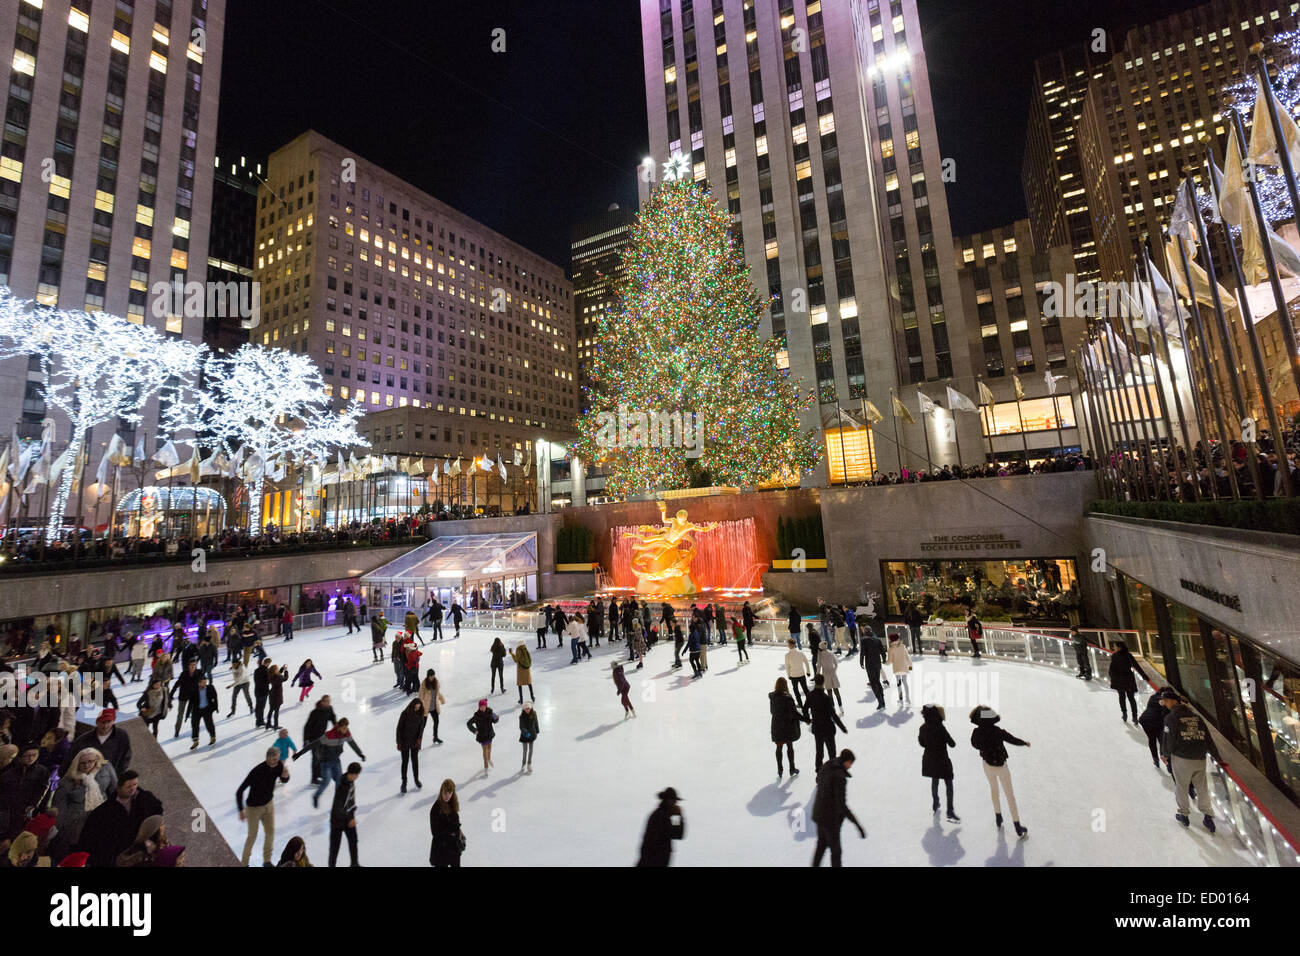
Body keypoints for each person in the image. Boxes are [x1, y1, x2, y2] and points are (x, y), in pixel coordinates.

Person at [1160, 691, 1221, 832]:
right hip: (1199, 758)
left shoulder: (1171, 718)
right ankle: (1207, 816)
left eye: (1166, 701)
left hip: (1182, 758)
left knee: (1182, 786)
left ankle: (1183, 814)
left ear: (1172, 701)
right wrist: (1217, 757)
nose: (1165, 704)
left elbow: (1170, 739)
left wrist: (1165, 754)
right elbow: (1208, 738)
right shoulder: (1196, 717)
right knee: (1202, 787)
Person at [77, 769, 163, 867]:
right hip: (117, 855)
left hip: (139, 850)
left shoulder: (144, 797)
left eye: (135, 785)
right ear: (118, 788)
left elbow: (157, 810)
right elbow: (90, 836)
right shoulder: (104, 811)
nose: (133, 789)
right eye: (128, 786)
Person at [969, 706, 1029, 838]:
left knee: (994, 791)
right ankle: (1018, 827)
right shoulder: (997, 731)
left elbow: (974, 744)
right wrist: (1024, 743)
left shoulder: (976, 732)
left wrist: (984, 745)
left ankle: (998, 817)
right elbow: (1012, 739)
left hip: (987, 765)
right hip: (1001, 767)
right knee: (1010, 795)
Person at [51, 748, 117, 851]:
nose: (86, 765)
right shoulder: (67, 782)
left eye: (90, 762)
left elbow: (115, 790)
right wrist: (59, 831)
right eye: (82, 763)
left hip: (102, 818)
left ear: (96, 760)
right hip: (77, 824)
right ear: (77, 764)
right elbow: (60, 809)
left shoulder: (106, 769)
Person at [236, 748, 292, 867]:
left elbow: (283, 779)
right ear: (268, 758)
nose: (277, 762)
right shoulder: (257, 771)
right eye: (274, 759)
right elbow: (239, 791)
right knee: (252, 836)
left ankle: (267, 860)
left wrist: (285, 776)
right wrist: (241, 810)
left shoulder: (279, 765)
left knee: (270, 832)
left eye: (277, 759)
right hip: (253, 809)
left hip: (269, 805)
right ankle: (244, 863)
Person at [811, 749, 864, 867]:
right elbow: (842, 805)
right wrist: (857, 824)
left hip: (819, 813)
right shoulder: (839, 778)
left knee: (821, 845)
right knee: (836, 852)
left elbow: (818, 780)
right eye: (851, 763)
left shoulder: (827, 765)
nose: (850, 766)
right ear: (847, 761)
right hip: (830, 819)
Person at [308, 718, 366, 809]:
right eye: (343, 728)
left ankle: (337, 803)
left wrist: (360, 753)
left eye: (346, 728)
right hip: (325, 762)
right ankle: (316, 796)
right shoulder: (328, 735)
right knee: (326, 782)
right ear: (338, 727)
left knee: (339, 782)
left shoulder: (346, 734)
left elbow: (352, 744)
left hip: (336, 761)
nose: (345, 730)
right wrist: (299, 754)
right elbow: (314, 744)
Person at [918, 705, 959, 822]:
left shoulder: (923, 728)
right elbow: (952, 744)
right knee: (949, 784)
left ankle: (935, 802)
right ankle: (950, 810)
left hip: (929, 759)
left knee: (934, 781)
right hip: (942, 759)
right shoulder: (940, 728)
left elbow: (921, 743)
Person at [64, 709, 131, 778]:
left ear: (113, 721)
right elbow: (69, 759)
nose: (105, 726)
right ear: (97, 722)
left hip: (112, 778)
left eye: (108, 722)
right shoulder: (82, 740)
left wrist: (117, 776)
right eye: (102, 722)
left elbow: (125, 757)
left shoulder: (122, 736)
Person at [806, 674, 847, 772]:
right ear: (823, 683)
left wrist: (807, 719)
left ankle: (818, 773)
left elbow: (804, 709)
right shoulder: (826, 698)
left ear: (815, 682)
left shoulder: (810, 695)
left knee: (819, 752)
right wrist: (842, 728)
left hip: (817, 728)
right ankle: (832, 772)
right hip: (828, 729)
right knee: (831, 752)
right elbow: (833, 715)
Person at [770, 677, 809, 778]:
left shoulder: (773, 697)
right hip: (787, 726)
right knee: (789, 747)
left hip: (777, 726)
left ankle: (780, 770)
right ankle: (792, 768)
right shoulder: (788, 698)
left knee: (779, 747)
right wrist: (806, 720)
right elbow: (795, 713)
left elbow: (772, 711)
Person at [636, 787, 684, 867]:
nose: (675, 803)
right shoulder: (660, 815)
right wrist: (677, 816)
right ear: (668, 800)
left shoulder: (662, 814)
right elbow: (676, 834)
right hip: (653, 860)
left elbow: (677, 834)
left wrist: (677, 817)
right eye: (674, 800)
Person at [328, 762, 362, 867]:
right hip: (337, 821)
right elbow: (338, 808)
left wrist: (351, 816)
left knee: (353, 840)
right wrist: (349, 820)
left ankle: (354, 864)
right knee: (335, 848)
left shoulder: (350, 781)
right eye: (356, 774)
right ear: (351, 773)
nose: (357, 777)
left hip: (348, 817)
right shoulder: (341, 786)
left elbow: (350, 801)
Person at [1108, 640, 1147, 722]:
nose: (1113, 647)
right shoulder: (1128, 655)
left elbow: (1112, 669)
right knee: (1131, 698)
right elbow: (1136, 666)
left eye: (1115, 646)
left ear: (1119, 647)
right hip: (1128, 680)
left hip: (1119, 680)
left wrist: (1112, 677)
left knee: (1122, 698)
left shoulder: (1114, 656)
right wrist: (1144, 676)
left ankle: (1124, 714)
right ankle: (1134, 716)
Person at [302, 695, 337, 785]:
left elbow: (332, 718)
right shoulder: (315, 713)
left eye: (330, 701)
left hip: (322, 737)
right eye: (327, 701)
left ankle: (319, 774)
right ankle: (314, 778)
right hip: (313, 738)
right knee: (316, 758)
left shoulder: (329, 709)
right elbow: (307, 727)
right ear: (322, 702)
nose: (329, 703)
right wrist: (305, 740)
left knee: (321, 757)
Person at [429, 779, 463, 867]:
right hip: (441, 849)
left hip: (453, 847)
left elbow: (455, 821)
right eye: (445, 793)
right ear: (441, 792)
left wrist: (458, 831)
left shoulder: (453, 803)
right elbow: (435, 832)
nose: (447, 796)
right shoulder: (435, 809)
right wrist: (450, 832)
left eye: (450, 793)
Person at [396, 699, 426, 794]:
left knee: (415, 761)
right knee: (405, 762)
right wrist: (399, 742)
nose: (417, 709)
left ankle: (416, 780)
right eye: (415, 707)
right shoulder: (405, 714)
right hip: (404, 742)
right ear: (412, 705)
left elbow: (421, 730)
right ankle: (404, 783)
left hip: (414, 743)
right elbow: (399, 728)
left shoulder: (421, 716)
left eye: (418, 707)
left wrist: (419, 742)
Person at [1138, 688, 1172, 769]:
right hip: (1156, 722)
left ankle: (1155, 759)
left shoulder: (1153, 697)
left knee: (1152, 739)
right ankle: (1168, 763)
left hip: (1145, 720)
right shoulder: (1165, 702)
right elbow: (1166, 715)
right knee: (1162, 742)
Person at [466, 699, 500, 773]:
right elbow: (468, 723)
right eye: (481, 706)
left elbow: (495, 721)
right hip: (482, 736)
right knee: (485, 751)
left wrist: (496, 718)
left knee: (489, 749)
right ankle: (486, 766)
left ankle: (489, 758)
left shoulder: (490, 712)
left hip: (489, 734)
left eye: (484, 706)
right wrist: (474, 730)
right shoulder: (476, 715)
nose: (483, 707)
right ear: (479, 707)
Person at [861, 627, 887, 711]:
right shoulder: (877, 640)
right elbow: (883, 652)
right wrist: (883, 659)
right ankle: (882, 700)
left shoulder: (864, 640)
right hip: (877, 663)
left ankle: (881, 702)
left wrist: (861, 661)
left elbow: (863, 652)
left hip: (870, 664)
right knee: (877, 681)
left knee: (873, 683)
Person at [188, 676, 219, 749]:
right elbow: (190, 702)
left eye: (205, 682)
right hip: (197, 710)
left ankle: (212, 737)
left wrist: (215, 708)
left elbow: (215, 698)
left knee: (209, 724)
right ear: (199, 683)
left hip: (207, 709)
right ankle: (195, 741)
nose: (205, 684)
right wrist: (187, 713)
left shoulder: (210, 687)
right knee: (194, 725)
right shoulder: (194, 690)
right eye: (203, 683)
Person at [418, 670, 446, 745]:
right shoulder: (424, 684)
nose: (432, 677)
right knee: (422, 726)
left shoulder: (436, 683)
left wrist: (442, 699)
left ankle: (435, 737)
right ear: (428, 676)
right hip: (425, 708)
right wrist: (420, 706)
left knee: (436, 722)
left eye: (433, 676)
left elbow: (437, 693)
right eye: (431, 676)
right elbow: (420, 695)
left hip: (434, 707)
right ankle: (418, 741)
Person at [816, 641, 843, 713]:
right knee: (836, 691)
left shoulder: (820, 655)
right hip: (833, 674)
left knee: (829, 692)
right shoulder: (831, 653)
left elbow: (818, 666)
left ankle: (833, 708)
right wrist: (834, 670)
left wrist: (817, 675)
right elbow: (836, 663)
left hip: (825, 674)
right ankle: (841, 707)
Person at [887, 634, 913, 706]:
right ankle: (907, 699)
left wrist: (884, 663)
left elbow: (889, 661)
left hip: (897, 669)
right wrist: (910, 667)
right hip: (904, 668)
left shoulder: (891, 648)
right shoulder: (902, 646)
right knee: (905, 683)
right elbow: (907, 657)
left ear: (891, 640)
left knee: (899, 684)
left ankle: (900, 699)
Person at [784, 639, 810, 708]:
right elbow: (806, 662)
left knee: (796, 691)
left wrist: (788, 675)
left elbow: (787, 667)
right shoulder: (800, 653)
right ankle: (810, 703)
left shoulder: (787, 655)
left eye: (788, 644)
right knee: (805, 690)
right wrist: (808, 672)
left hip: (793, 675)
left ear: (790, 645)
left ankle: (800, 704)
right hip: (801, 674)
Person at [266, 661, 289, 730]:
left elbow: (278, 674)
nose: (278, 669)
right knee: (276, 711)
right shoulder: (278, 677)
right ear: (275, 670)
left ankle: (268, 724)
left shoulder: (270, 675)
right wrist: (286, 671)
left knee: (271, 710)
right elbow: (285, 678)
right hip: (277, 695)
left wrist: (282, 668)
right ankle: (276, 725)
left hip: (272, 694)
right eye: (277, 668)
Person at [518, 701, 539, 773]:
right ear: (524, 709)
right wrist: (526, 733)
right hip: (524, 736)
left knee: (531, 750)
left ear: (530, 708)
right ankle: (523, 764)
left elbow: (536, 723)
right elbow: (521, 727)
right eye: (526, 709)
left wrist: (537, 730)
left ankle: (529, 764)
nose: (527, 710)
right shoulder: (521, 717)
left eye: (529, 708)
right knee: (525, 751)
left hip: (532, 735)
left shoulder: (534, 715)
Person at [253, 658, 271, 727]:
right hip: (264, 691)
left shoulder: (256, 670)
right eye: (269, 663)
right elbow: (268, 681)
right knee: (261, 707)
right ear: (267, 663)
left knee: (258, 707)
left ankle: (258, 721)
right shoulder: (266, 671)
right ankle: (260, 721)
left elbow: (256, 681)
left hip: (257, 691)